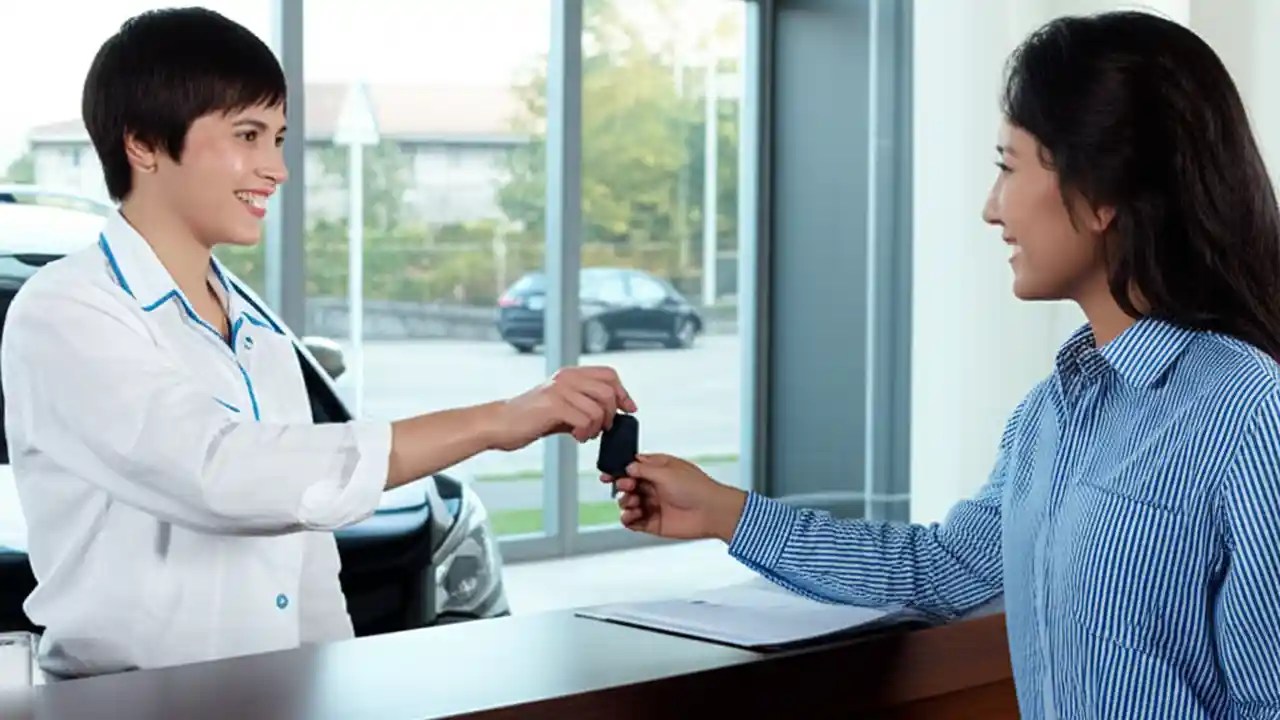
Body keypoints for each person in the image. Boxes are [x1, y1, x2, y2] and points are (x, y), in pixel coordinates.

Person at [606, 11, 1280, 719]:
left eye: (1008, 168)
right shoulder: (1049, 415)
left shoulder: (1248, 413)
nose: (992, 209)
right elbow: (942, 568)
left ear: (1102, 192)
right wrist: (725, 512)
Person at [0, 7, 636, 678]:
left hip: (276, 695)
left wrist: (333, 688)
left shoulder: (257, 332)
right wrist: (497, 421)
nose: (276, 169)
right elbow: (221, 474)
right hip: (129, 702)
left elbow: (306, 568)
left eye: (278, 138)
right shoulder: (66, 310)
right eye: (248, 135)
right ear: (144, 144)